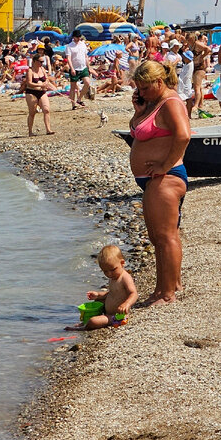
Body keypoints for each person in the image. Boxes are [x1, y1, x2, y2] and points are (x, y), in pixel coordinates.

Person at [129, 59, 190, 306]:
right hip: (155, 180)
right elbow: (139, 131)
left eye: (144, 88)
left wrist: (165, 165)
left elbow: (184, 135)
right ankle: (166, 286)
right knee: (158, 237)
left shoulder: (171, 102)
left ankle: (167, 294)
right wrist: (139, 111)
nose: (140, 92)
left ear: (158, 81)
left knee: (165, 237)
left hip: (166, 178)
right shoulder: (155, 103)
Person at [67, 245, 137, 331]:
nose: (109, 274)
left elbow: (134, 293)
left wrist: (126, 304)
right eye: (105, 271)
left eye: (112, 269)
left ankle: (84, 328)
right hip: (109, 313)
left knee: (93, 321)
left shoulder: (125, 278)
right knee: (97, 302)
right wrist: (98, 295)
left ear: (122, 263)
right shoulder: (113, 278)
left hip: (118, 316)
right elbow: (111, 294)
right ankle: (86, 322)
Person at [22, 52, 55, 136]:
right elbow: (29, 83)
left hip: (42, 92)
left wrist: (46, 83)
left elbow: (47, 79)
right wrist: (40, 84)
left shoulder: (42, 69)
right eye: (40, 62)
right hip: (31, 92)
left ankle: (48, 129)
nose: (41, 63)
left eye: (43, 62)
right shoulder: (30, 70)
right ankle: (30, 131)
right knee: (32, 113)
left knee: (46, 110)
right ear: (34, 61)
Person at [65, 30, 93, 109]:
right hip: (74, 68)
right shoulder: (69, 46)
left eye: (79, 37)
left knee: (87, 82)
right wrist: (72, 68)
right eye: (77, 37)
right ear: (73, 37)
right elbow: (69, 58)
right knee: (73, 87)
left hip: (83, 67)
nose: (78, 38)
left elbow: (85, 56)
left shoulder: (83, 45)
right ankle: (73, 104)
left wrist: (89, 67)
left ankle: (79, 98)